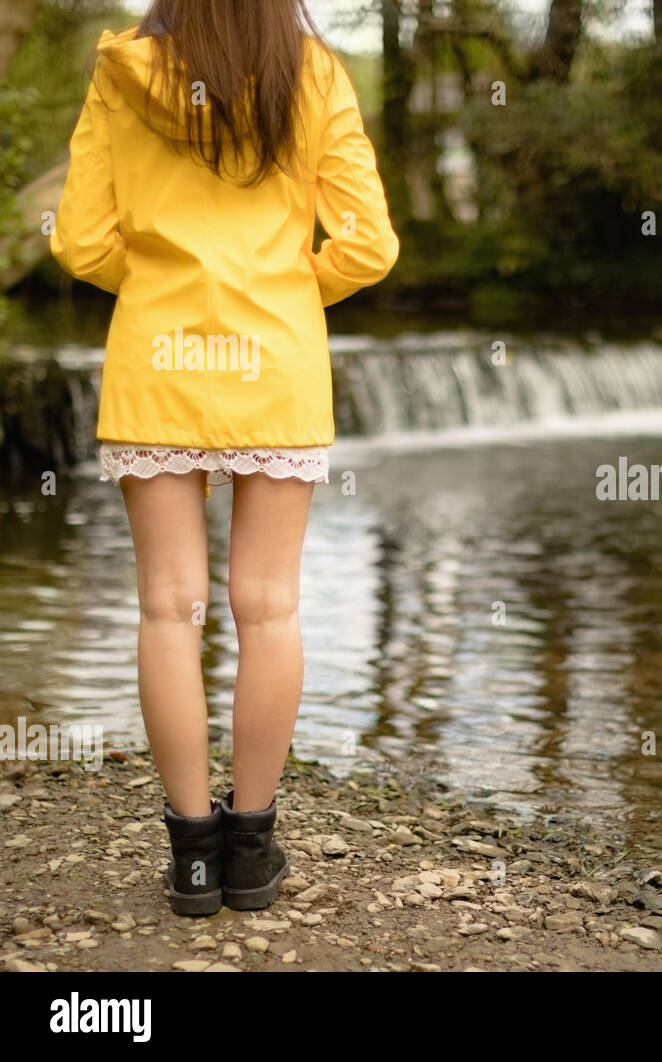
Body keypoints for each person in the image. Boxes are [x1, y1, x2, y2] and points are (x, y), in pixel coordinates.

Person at [50, 0, 399, 916]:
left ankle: (191, 860)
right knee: (269, 604)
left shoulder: (122, 70)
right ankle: (252, 855)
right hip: (275, 364)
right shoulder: (315, 71)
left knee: (170, 607)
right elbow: (369, 244)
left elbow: (80, 240)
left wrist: (166, 284)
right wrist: (285, 289)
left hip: (156, 361)